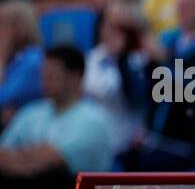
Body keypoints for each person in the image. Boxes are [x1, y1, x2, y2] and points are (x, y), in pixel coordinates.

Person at [0, 45, 117, 178]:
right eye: (42, 75)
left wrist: (18, 156)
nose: (44, 82)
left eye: (51, 76)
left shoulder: (93, 119)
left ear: (75, 77)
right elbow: (2, 151)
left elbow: (52, 162)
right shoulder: (32, 112)